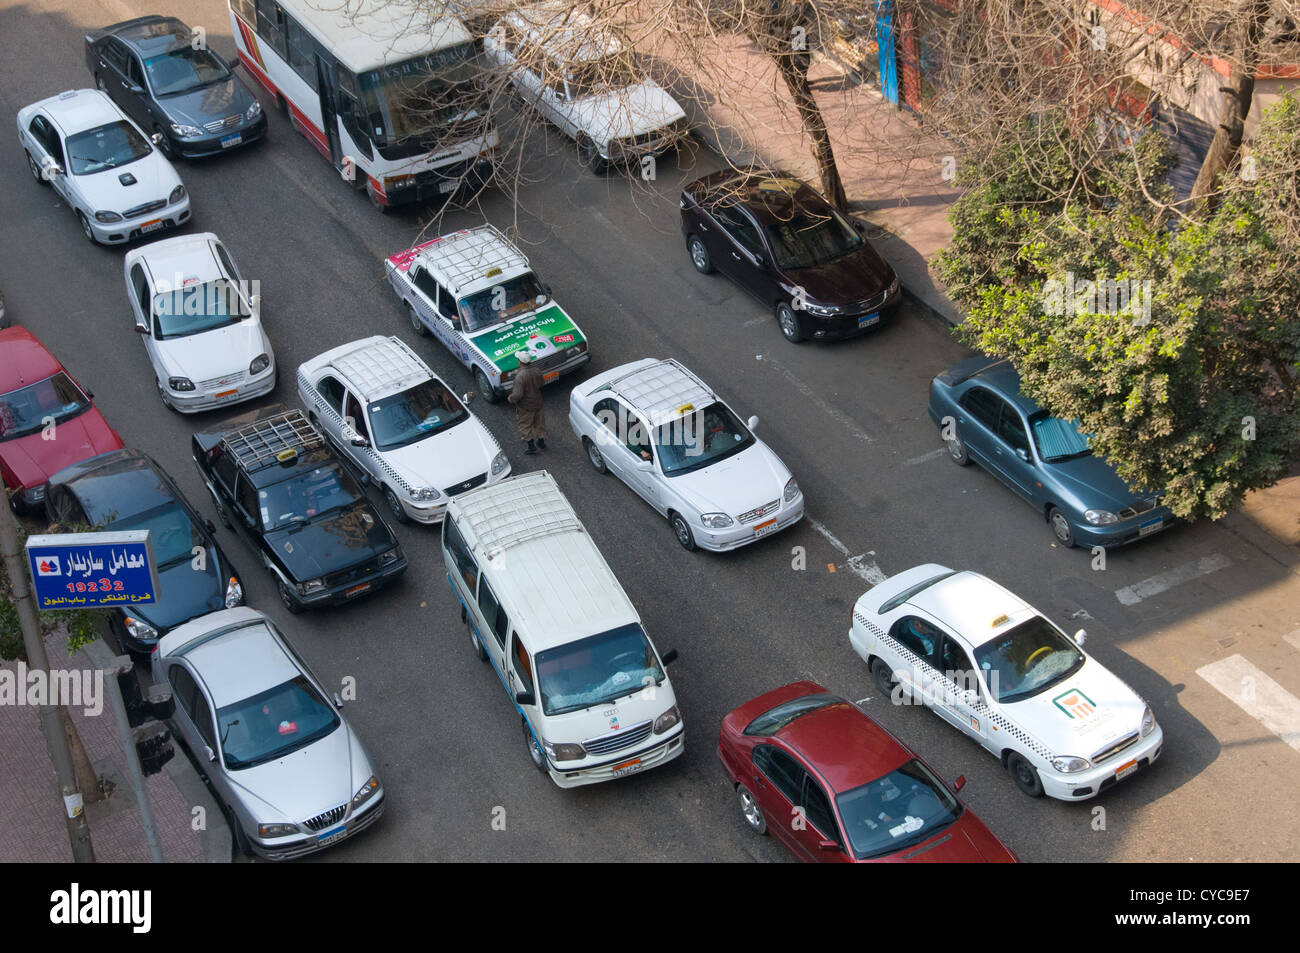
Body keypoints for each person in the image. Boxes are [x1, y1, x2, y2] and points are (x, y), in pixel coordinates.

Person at [508, 348, 547, 454]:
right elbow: (542, 384)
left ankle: (531, 446)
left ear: (520, 362)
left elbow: (518, 394)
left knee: (525, 425)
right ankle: (541, 442)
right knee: (540, 423)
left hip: (525, 406)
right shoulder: (537, 371)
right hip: (538, 402)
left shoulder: (520, 377)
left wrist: (511, 398)